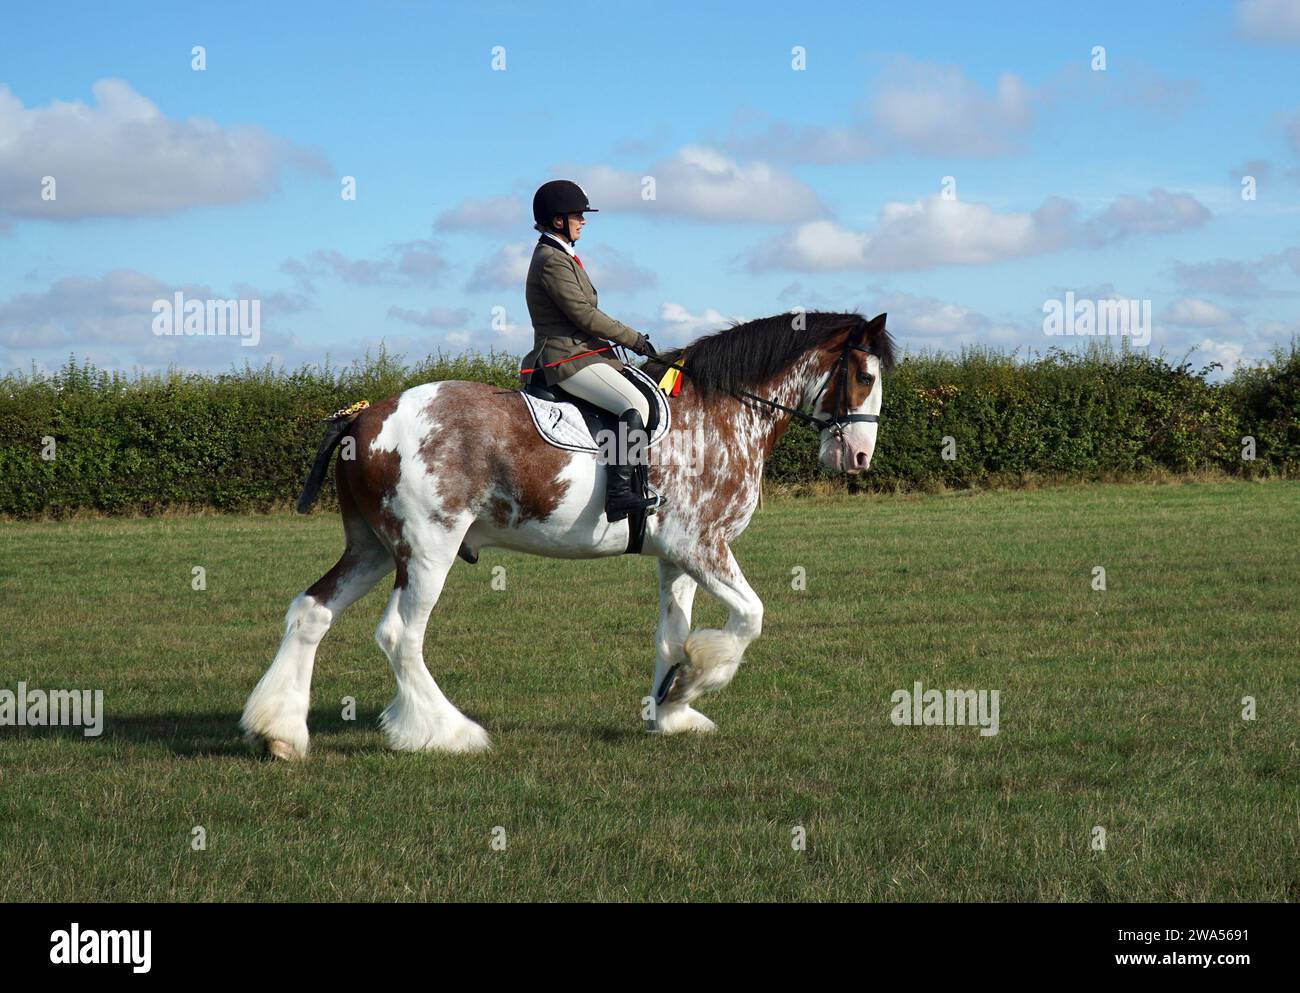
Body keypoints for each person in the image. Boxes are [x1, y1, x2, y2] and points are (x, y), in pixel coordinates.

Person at [522, 179, 662, 521]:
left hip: (584, 353)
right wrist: (634, 339)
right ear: (558, 221)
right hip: (565, 358)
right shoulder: (551, 259)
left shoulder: (562, 255)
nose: (583, 221)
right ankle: (619, 495)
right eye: (577, 216)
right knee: (634, 404)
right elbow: (584, 315)